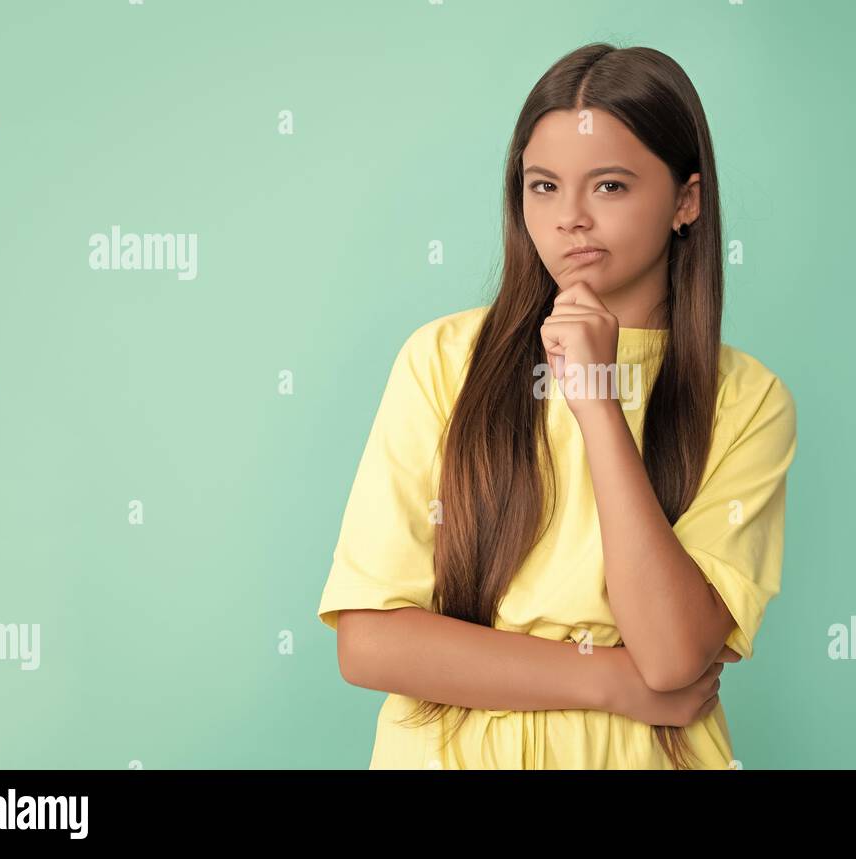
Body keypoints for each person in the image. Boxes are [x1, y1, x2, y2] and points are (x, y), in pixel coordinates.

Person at [317, 42, 797, 769]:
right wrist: (606, 680)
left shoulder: (747, 401)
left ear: (686, 200)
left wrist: (599, 405)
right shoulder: (443, 361)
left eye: (608, 186)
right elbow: (371, 640)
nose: (570, 218)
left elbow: (670, 658)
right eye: (543, 186)